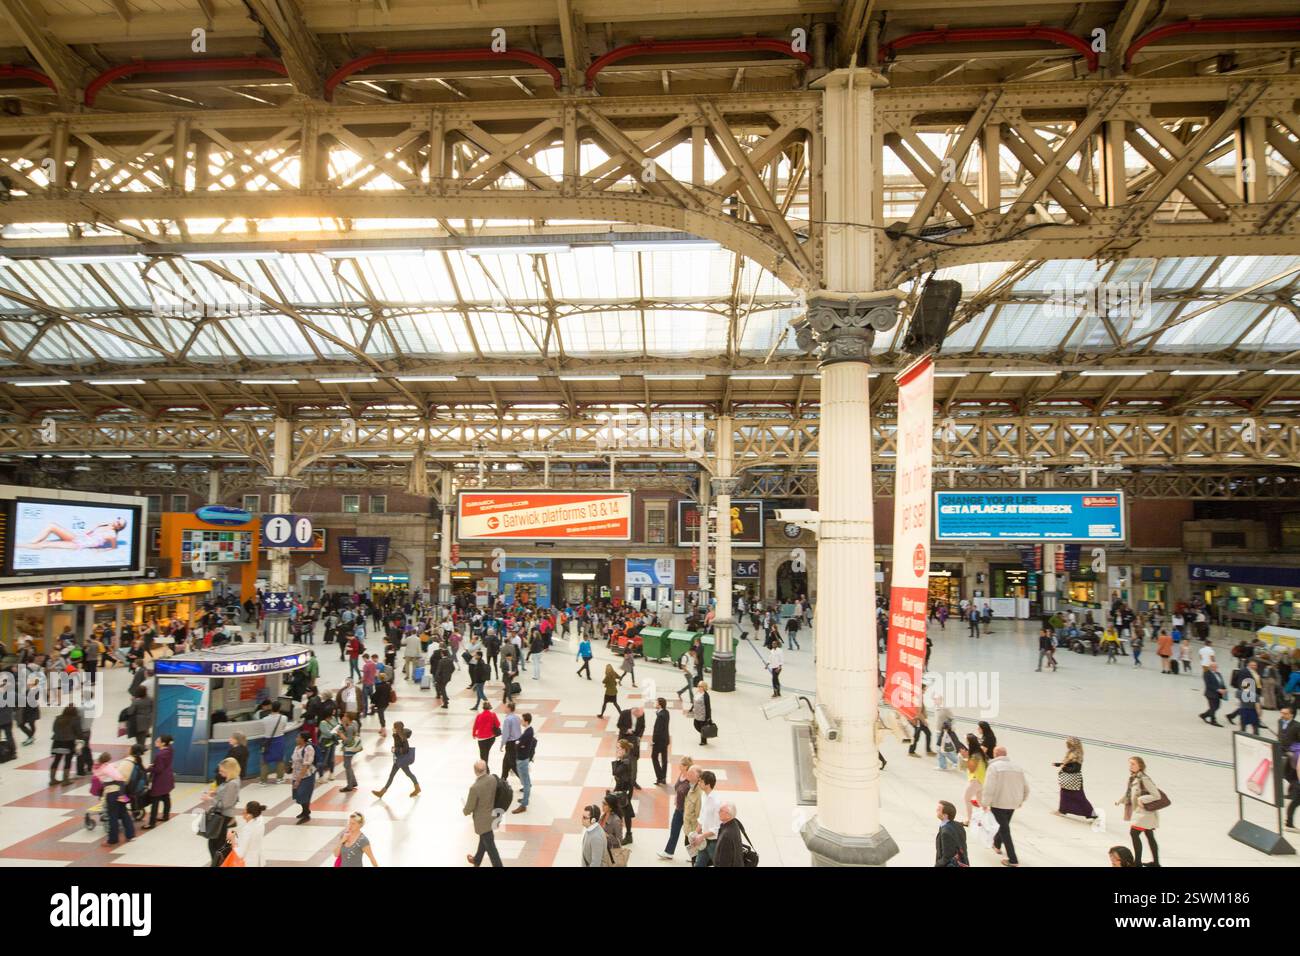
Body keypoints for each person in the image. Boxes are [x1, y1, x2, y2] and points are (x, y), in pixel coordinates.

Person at [981, 746, 1030, 867]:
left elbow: (989, 787)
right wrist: (1021, 800)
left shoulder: (993, 767)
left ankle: (1013, 859)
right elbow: (1026, 787)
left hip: (999, 803)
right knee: (1004, 826)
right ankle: (997, 845)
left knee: (1005, 830)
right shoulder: (1017, 767)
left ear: (995, 754)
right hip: (1013, 803)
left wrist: (985, 803)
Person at [1116, 756, 1162, 867]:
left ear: (1140, 766)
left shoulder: (1144, 778)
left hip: (1145, 813)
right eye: (1130, 764)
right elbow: (1130, 793)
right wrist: (1120, 801)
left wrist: (1142, 799)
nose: (1131, 766)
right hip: (1142, 813)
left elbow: (1156, 795)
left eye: (1133, 764)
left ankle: (1137, 863)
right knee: (1149, 835)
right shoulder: (1134, 777)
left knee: (1134, 833)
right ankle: (1156, 863)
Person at [464, 760, 503, 867]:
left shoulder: (475, 788)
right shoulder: (493, 779)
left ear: (475, 771)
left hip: (482, 821)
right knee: (485, 839)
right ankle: (477, 860)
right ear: (486, 768)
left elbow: (469, 808)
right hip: (494, 816)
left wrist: (465, 810)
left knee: (491, 848)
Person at [201, 756, 240, 865]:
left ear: (229, 770)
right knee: (218, 843)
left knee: (215, 844)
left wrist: (210, 799)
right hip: (222, 815)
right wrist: (216, 793)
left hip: (223, 816)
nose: (220, 772)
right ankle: (223, 862)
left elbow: (226, 804)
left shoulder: (232, 783)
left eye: (222, 770)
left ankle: (220, 863)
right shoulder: (231, 780)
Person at [91, 751, 135, 848]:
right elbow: (120, 779)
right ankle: (130, 835)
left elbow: (98, 774)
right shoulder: (109, 767)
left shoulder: (99, 768)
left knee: (113, 817)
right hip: (120, 792)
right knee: (124, 814)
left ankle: (113, 840)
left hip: (112, 794)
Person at [373, 721, 420, 798]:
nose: (392, 728)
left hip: (401, 760)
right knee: (407, 774)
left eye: (394, 727)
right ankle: (417, 788)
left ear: (397, 728)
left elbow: (406, 749)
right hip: (399, 759)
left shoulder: (402, 737)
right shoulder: (397, 735)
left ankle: (382, 792)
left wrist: (395, 750)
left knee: (394, 775)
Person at [1053, 737, 1097, 820]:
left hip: (1074, 780)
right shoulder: (1071, 752)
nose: (1067, 745)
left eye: (1068, 743)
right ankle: (1062, 810)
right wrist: (1058, 764)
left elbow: (1075, 768)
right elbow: (1068, 764)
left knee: (1080, 797)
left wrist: (1063, 768)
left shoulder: (1077, 755)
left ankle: (1092, 814)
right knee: (1064, 795)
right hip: (1068, 780)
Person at [689, 769, 720, 867]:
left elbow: (717, 828)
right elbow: (702, 818)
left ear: (708, 784)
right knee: (698, 865)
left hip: (714, 843)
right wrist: (695, 833)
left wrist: (701, 836)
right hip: (704, 841)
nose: (698, 783)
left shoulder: (716, 802)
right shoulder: (703, 796)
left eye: (701, 781)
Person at [144, 734, 175, 829]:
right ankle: (165, 816)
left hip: (160, 780)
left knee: (155, 800)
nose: (155, 742)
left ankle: (151, 823)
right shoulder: (170, 750)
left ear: (163, 743)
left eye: (157, 741)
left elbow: (158, 769)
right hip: (168, 777)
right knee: (166, 796)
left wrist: (149, 768)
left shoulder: (160, 754)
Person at [224, 801, 266, 867]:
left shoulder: (248, 830)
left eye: (244, 811)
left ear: (249, 815)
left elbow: (240, 853)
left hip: (248, 862)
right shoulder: (260, 820)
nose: (242, 813)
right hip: (258, 859)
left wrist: (232, 839)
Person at [611, 738, 637, 843]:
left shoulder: (626, 761)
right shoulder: (625, 759)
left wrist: (618, 759)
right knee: (622, 812)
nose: (617, 750)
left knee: (625, 812)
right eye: (616, 748)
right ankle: (622, 834)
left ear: (624, 749)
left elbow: (616, 772)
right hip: (622, 789)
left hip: (624, 790)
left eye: (618, 748)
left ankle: (627, 835)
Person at [1229, 660, 1262, 735]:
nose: (1254, 666)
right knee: (1253, 724)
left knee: (1244, 711)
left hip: (1251, 694)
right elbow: (1240, 681)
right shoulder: (1244, 671)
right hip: (1249, 695)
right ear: (1249, 665)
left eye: (1255, 665)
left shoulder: (1255, 672)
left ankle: (1231, 716)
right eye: (1252, 665)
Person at [48, 705, 79, 787]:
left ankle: (52, 780)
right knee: (68, 760)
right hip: (69, 743)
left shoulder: (58, 718)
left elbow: (54, 729)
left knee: (56, 760)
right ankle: (65, 780)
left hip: (57, 742)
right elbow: (78, 731)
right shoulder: (75, 719)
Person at [289, 732, 316, 823]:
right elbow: (294, 761)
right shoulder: (297, 748)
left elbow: (306, 765)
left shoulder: (308, 748)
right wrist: (294, 776)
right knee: (298, 795)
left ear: (303, 739)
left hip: (306, 776)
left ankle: (306, 814)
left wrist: (299, 779)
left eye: (298, 737)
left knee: (303, 794)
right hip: (296, 775)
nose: (296, 739)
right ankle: (305, 811)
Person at [961, 733, 986, 825]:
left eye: (966, 741)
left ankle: (969, 820)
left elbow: (971, 768)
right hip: (981, 781)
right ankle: (984, 819)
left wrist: (964, 757)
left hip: (975, 781)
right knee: (981, 803)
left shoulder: (975, 755)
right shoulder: (979, 753)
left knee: (966, 798)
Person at [712, 802, 748, 867]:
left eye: (721, 811)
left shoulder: (726, 835)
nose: (718, 812)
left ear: (728, 815)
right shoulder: (734, 823)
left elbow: (725, 861)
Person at [513, 712, 536, 814]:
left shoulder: (528, 732)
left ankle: (524, 805)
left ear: (526, 721)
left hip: (523, 760)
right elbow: (519, 743)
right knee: (525, 780)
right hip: (522, 758)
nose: (521, 722)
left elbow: (518, 744)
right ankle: (524, 800)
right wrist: (519, 743)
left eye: (522, 720)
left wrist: (519, 744)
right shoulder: (528, 730)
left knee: (526, 783)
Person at [935, 800, 968, 867]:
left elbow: (946, 858)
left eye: (938, 810)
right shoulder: (959, 825)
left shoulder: (945, 833)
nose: (936, 810)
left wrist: (937, 864)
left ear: (945, 815)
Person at [339, 713, 362, 793]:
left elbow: (348, 740)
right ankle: (353, 782)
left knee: (347, 766)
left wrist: (341, 734)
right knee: (347, 765)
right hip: (354, 748)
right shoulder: (354, 723)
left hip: (348, 749)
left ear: (348, 718)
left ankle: (349, 786)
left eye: (345, 716)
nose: (343, 717)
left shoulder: (349, 728)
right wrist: (344, 726)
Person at [473, 699, 500, 764]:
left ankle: (485, 770)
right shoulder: (493, 715)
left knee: (483, 756)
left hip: (481, 739)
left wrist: (474, 734)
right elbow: (498, 724)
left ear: (483, 708)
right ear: (490, 707)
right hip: (491, 738)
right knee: (486, 753)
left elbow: (475, 726)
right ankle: (486, 769)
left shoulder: (479, 716)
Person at [500, 701, 522, 781]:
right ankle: (503, 779)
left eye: (505, 707)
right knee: (506, 762)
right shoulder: (517, 717)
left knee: (513, 764)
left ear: (509, 708)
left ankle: (525, 782)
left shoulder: (507, 720)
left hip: (510, 744)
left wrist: (502, 744)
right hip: (517, 742)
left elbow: (506, 734)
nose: (504, 708)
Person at [651, 698, 671, 785]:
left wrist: (653, 741)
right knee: (664, 759)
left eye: (656, 702)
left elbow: (658, 730)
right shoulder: (666, 712)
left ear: (660, 704)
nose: (655, 703)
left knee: (654, 757)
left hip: (659, 741)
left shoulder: (660, 716)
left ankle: (660, 777)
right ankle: (663, 778)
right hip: (665, 739)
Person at [1201, 661, 1227, 726]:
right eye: (1213, 667)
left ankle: (1204, 715)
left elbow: (1222, 683)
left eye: (1216, 667)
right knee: (1213, 707)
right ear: (1210, 667)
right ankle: (1213, 721)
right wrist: (1218, 689)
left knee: (1217, 706)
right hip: (1210, 693)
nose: (1214, 668)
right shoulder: (1206, 674)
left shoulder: (1218, 674)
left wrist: (1224, 689)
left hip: (1218, 694)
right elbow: (1208, 684)